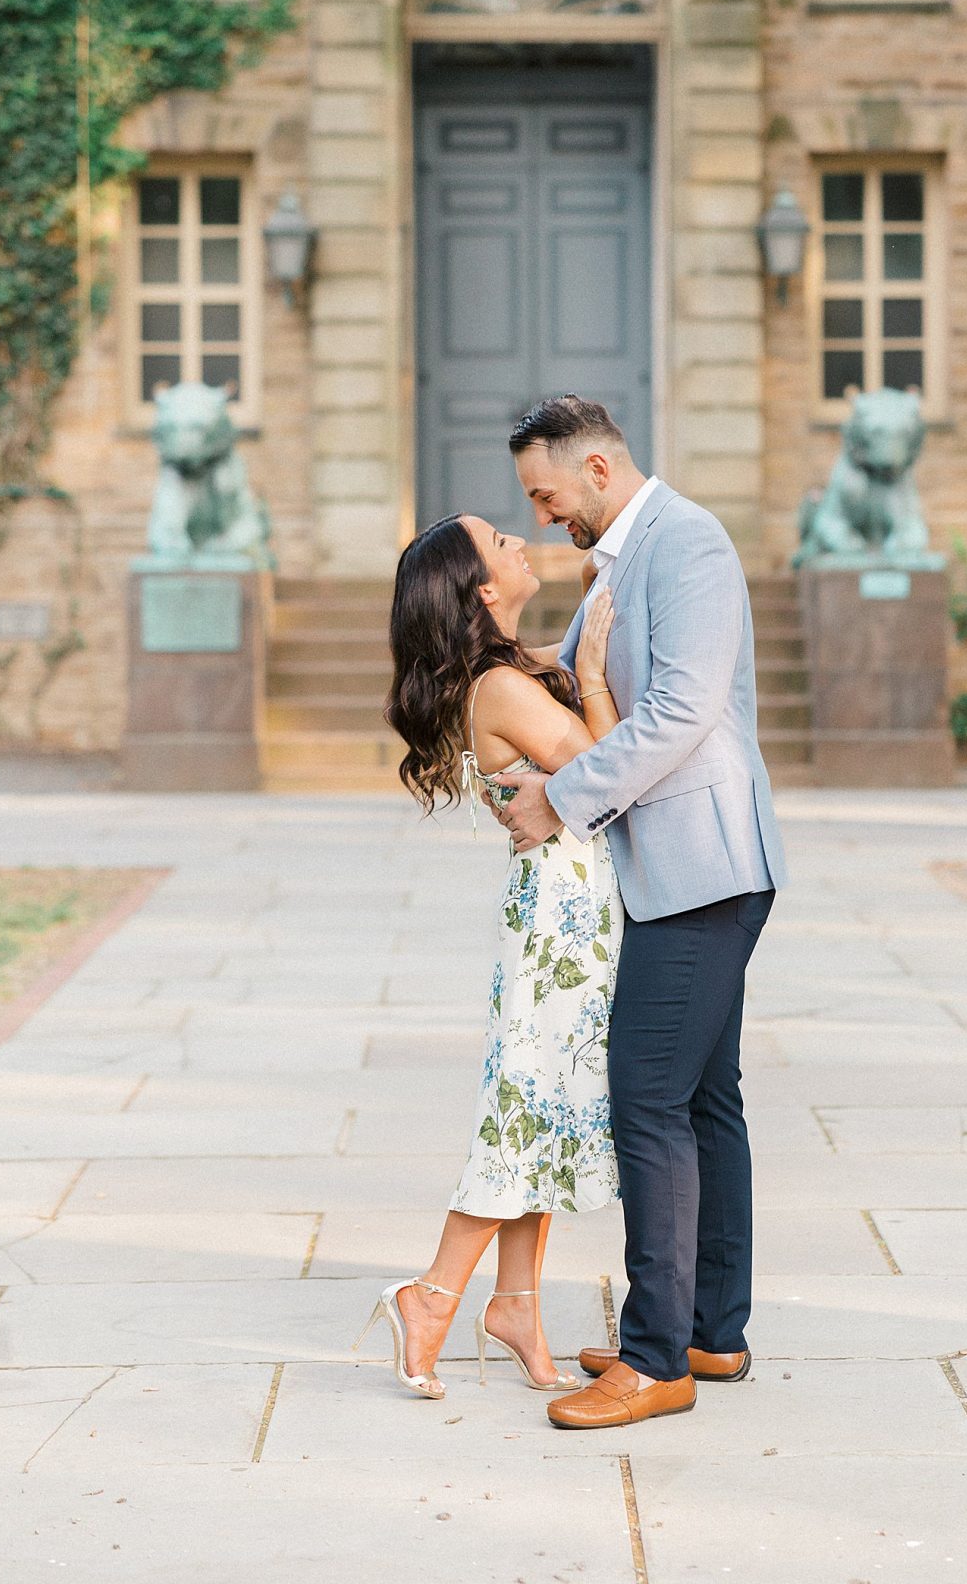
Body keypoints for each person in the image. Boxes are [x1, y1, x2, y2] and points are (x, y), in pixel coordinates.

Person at [494, 394, 787, 1432]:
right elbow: (567, 677)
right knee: (706, 1098)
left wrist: (560, 795)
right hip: (671, 867)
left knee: (648, 1097)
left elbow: (680, 709)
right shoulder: (615, 558)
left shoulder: (689, 543)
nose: (541, 516)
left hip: (705, 865)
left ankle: (658, 1359)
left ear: (601, 470)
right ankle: (709, 1328)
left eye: (547, 494)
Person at [356, 510, 622, 1399]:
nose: (518, 540)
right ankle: (431, 1296)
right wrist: (588, 673)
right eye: (499, 541)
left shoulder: (504, 670)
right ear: (481, 587)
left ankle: (514, 1304)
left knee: (542, 1106)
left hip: (559, 913)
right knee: (521, 1113)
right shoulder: (502, 688)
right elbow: (604, 766)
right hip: (562, 924)